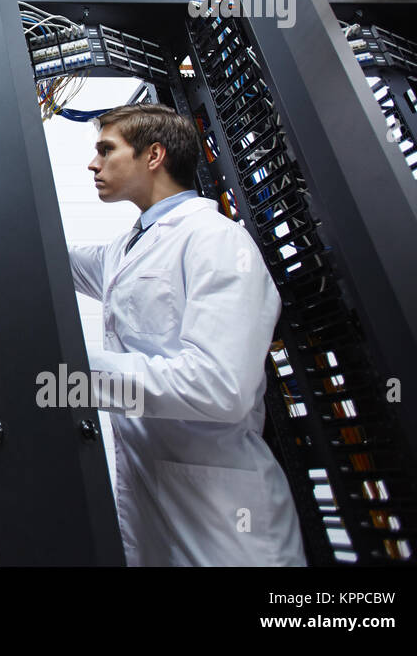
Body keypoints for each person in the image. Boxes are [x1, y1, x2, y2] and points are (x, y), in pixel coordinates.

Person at [67, 102, 305, 566]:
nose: (93, 163)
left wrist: (73, 371)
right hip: (158, 503)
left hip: (225, 521)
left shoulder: (214, 240)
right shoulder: (128, 245)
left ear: (153, 155)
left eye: (105, 150)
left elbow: (220, 385)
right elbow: (51, 257)